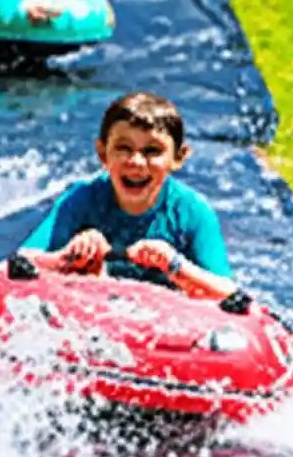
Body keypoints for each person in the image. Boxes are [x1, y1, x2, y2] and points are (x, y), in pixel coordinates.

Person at [18, 92, 239, 301]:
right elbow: (22, 261)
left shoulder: (191, 212)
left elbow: (229, 292)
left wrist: (174, 265)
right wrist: (68, 257)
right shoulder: (81, 200)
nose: (136, 162)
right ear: (103, 154)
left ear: (178, 158)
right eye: (123, 148)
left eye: (152, 151)